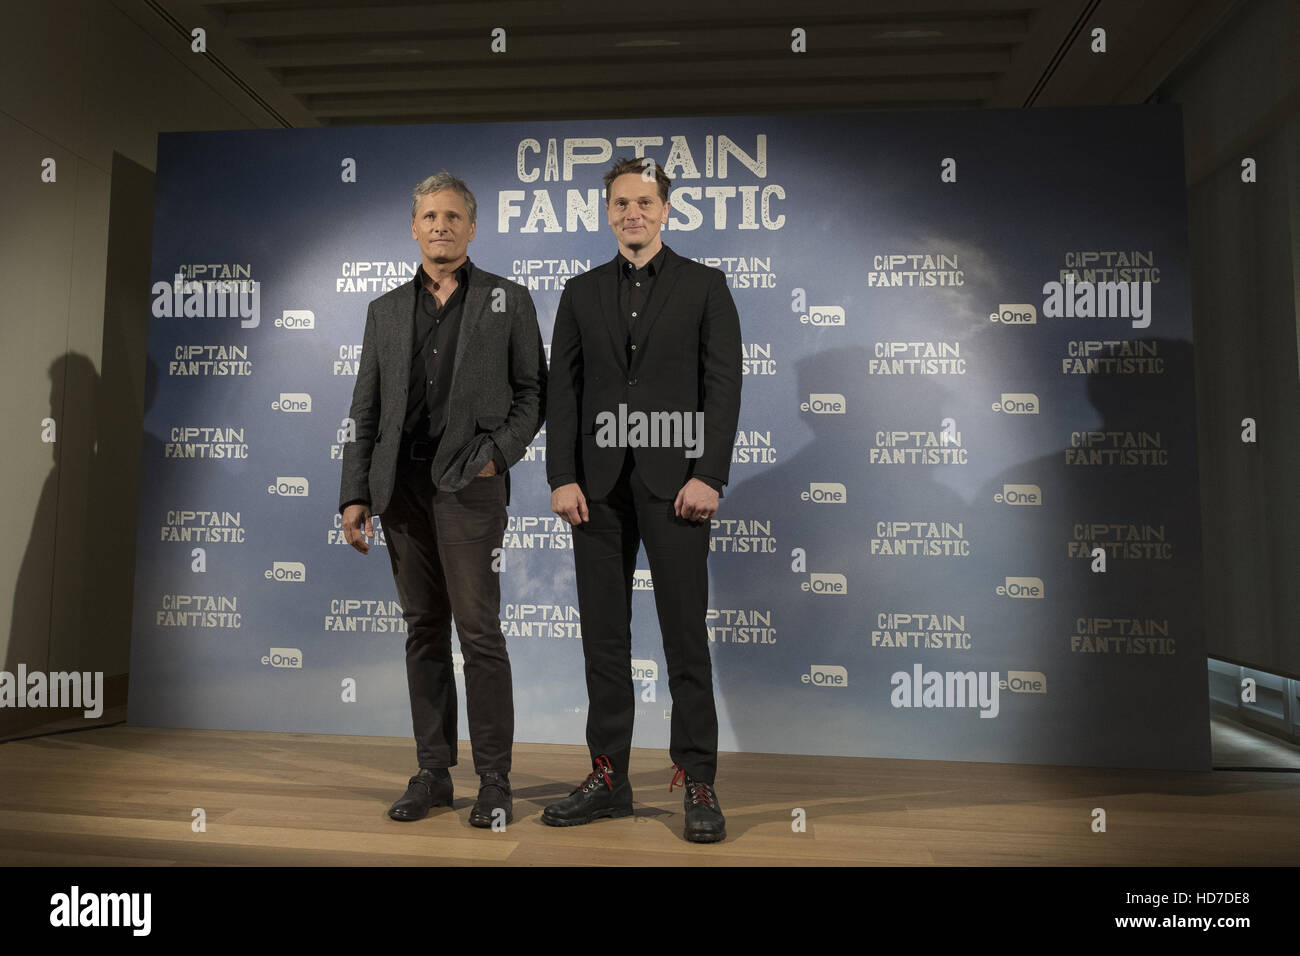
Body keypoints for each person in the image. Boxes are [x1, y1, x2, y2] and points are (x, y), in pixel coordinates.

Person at [544, 157, 743, 843]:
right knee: (604, 640)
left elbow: (722, 387)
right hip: (595, 490)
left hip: (677, 486)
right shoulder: (579, 291)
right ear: (608, 212)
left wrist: (710, 474)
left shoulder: (705, 287)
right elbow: (562, 394)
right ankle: (609, 776)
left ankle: (698, 781)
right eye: (622, 202)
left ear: (666, 210)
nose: (634, 212)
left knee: (686, 638)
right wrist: (559, 477)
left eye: (646, 201)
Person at [338, 172, 545, 828]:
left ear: (472, 227)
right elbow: (364, 411)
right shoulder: (385, 310)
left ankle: (495, 783)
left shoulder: (507, 300)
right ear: (414, 226)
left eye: (453, 216)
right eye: (430, 215)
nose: (441, 226)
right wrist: (354, 495)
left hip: (470, 493)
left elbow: (532, 394)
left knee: (479, 635)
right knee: (423, 631)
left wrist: (495, 456)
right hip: (399, 496)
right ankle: (433, 773)